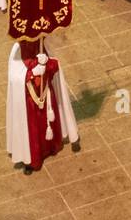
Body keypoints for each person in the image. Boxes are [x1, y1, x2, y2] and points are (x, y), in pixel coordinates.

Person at [5, 41, 80, 174]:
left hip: (46, 96)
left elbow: (55, 66)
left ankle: (50, 147)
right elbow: (15, 78)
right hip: (28, 102)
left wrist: (47, 63)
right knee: (32, 131)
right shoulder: (18, 50)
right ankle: (30, 159)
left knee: (47, 125)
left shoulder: (42, 43)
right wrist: (32, 72)